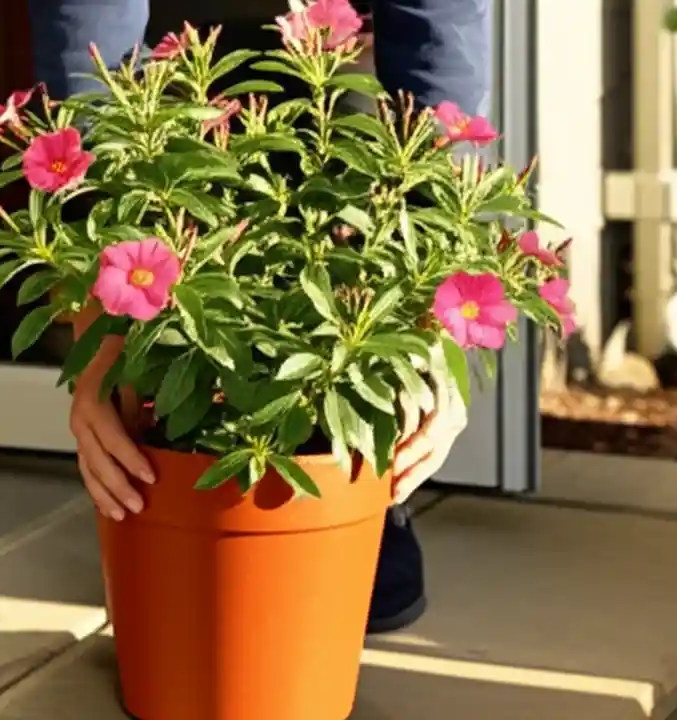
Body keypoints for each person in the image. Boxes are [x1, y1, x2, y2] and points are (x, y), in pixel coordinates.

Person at [27, 0, 492, 634]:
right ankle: (181, 516)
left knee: (349, 161)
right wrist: (105, 335)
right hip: (171, 54)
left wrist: (432, 311)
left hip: (337, 42)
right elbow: (87, 53)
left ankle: (345, 494)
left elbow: (442, 45)